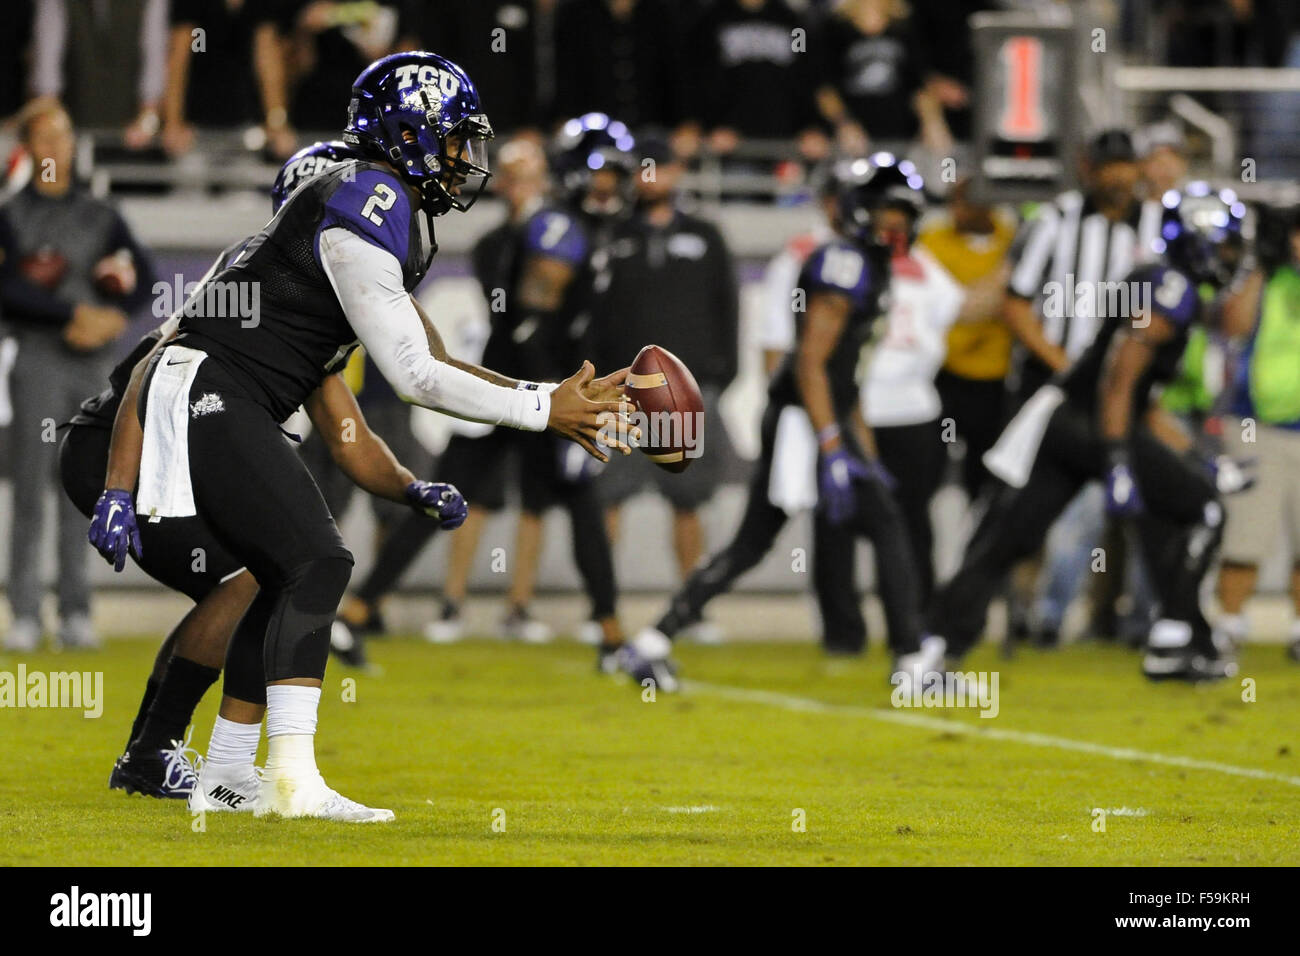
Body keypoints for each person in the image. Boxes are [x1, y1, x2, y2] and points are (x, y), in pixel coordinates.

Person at [88, 52, 634, 822]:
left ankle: (227, 776)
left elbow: (435, 359)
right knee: (318, 558)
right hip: (213, 386)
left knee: (284, 571)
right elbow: (414, 375)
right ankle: (289, 780)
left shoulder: (384, 204)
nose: (463, 160)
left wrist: (548, 397)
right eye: (452, 141)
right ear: (408, 134)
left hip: (226, 388)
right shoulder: (370, 193)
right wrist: (546, 411)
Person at [59, 139, 455, 799]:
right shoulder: (245, 289)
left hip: (164, 454)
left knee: (266, 578)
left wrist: (411, 487)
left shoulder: (305, 316)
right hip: (114, 446)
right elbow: (151, 376)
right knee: (246, 580)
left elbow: (348, 435)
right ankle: (160, 753)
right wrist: (118, 491)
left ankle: (174, 758)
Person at [630, 155, 943, 689]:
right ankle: (910, 661)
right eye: (889, 212)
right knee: (863, 527)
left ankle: (653, 641)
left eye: (906, 214)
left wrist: (859, 444)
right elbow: (811, 364)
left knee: (763, 540)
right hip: (804, 421)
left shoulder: (871, 264)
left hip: (823, 417)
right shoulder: (842, 263)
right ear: (861, 211)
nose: (900, 225)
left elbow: (850, 374)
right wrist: (832, 447)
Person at [338, 119, 638, 658]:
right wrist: (559, 401)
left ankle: (357, 613)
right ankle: (613, 635)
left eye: (616, 177)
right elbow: (528, 324)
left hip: (537, 387)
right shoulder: (551, 232)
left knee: (567, 500)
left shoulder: (567, 230)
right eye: (600, 175)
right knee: (469, 494)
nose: (608, 189)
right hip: (531, 390)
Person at [931, 183, 1253, 682]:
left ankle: (933, 649)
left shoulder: (1162, 282)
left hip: (1071, 423)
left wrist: (1200, 458)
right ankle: (1174, 639)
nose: (1229, 257)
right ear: (1197, 239)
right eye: (1224, 244)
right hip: (1089, 426)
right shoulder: (1170, 289)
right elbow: (1118, 381)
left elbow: (1141, 403)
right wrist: (1119, 459)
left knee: (1009, 537)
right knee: (1201, 510)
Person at [0, 100, 154, 653]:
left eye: (63, 137)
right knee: (30, 489)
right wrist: (69, 315)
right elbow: (8, 288)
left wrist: (114, 314)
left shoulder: (99, 212)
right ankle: (22, 610)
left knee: (80, 489)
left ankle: (75, 609)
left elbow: (144, 275)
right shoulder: (12, 214)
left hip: (91, 364)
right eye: (45, 138)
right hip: (39, 355)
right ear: (30, 148)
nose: (55, 149)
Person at [596, 133, 738, 635]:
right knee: (607, 497)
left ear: (678, 172)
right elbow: (595, 315)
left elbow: (728, 308)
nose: (651, 176)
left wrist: (721, 376)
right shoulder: (611, 234)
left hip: (687, 392)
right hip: (622, 391)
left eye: (661, 167)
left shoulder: (705, 234)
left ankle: (690, 609)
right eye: (643, 168)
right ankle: (604, 610)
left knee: (689, 501)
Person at [1214, 203, 1300, 662]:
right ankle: (1228, 627)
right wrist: (1260, 267)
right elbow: (1233, 325)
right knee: (1246, 537)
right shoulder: (1267, 278)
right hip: (1256, 425)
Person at [922, 178, 1016, 502]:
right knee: (927, 470)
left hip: (995, 378)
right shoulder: (933, 241)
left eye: (966, 202)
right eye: (955, 202)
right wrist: (999, 286)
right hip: (942, 374)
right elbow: (962, 310)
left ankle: (975, 547)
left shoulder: (1012, 238)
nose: (957, 210)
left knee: (987, 479)